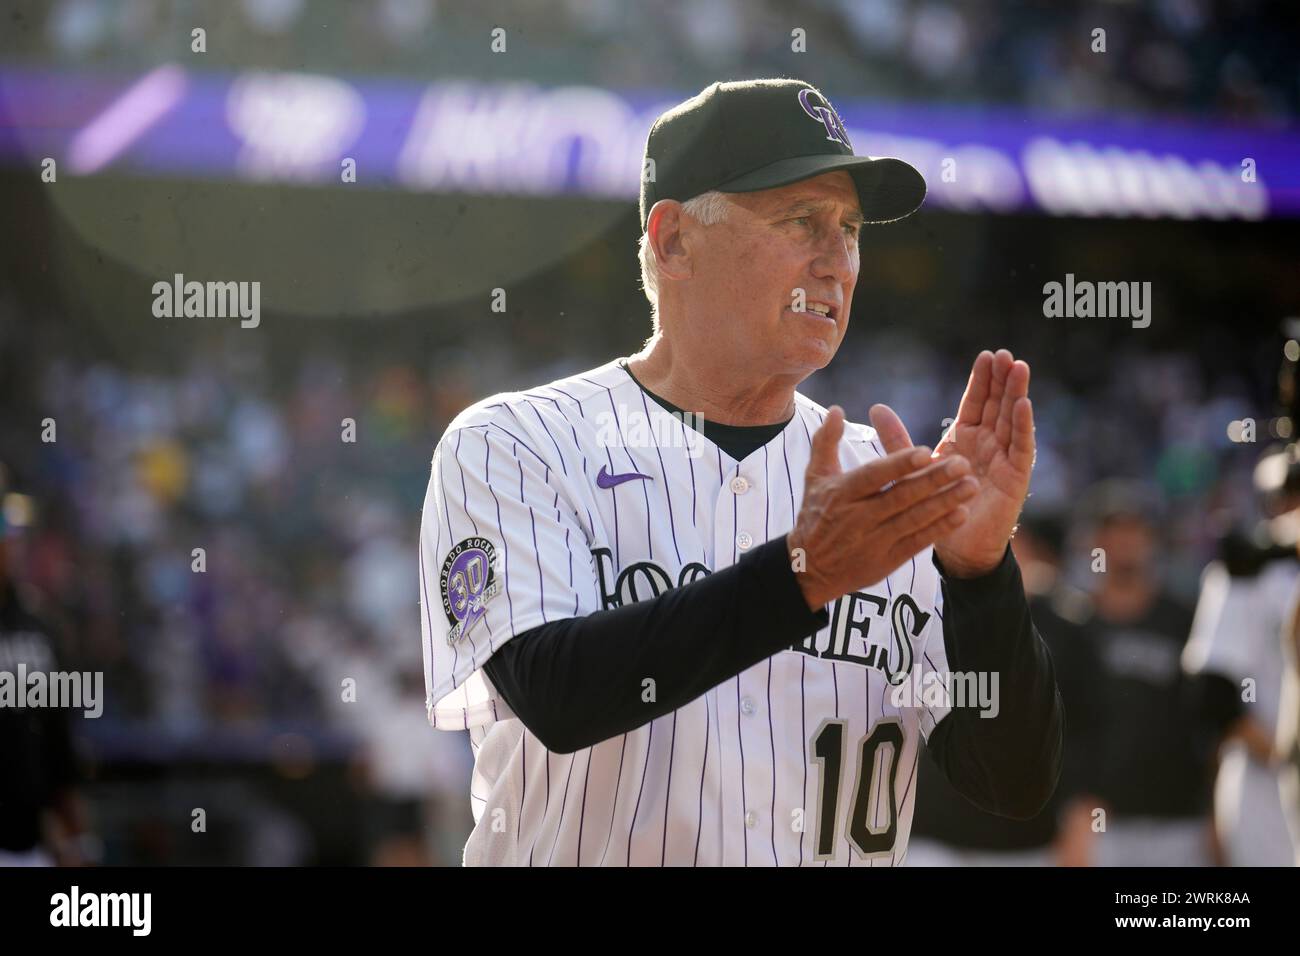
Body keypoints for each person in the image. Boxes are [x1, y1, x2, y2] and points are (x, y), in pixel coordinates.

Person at [417, 78, 1063, 866]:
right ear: (673, 239)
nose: (839, 263)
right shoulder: (518, 443)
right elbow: (558, 696)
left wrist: (977, 577)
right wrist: (801, 575)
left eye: (851, 229)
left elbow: (1012, 784)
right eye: (802, 221)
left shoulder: (888, 489)